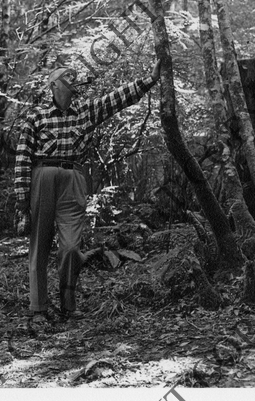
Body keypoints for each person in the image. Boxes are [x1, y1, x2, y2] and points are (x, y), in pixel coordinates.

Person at [13, 60, 161, 322]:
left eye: (74, 76)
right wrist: (22, 199)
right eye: (66, 77)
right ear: (54, 85)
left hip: (73, 180)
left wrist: (149, 79)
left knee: (71, 247)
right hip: (43, 178)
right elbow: (23, 158)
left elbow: (117, 99)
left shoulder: (85, 111)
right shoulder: (35, 117)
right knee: (40, 246)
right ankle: (38, 309)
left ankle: (68, 306)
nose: (73, 79)